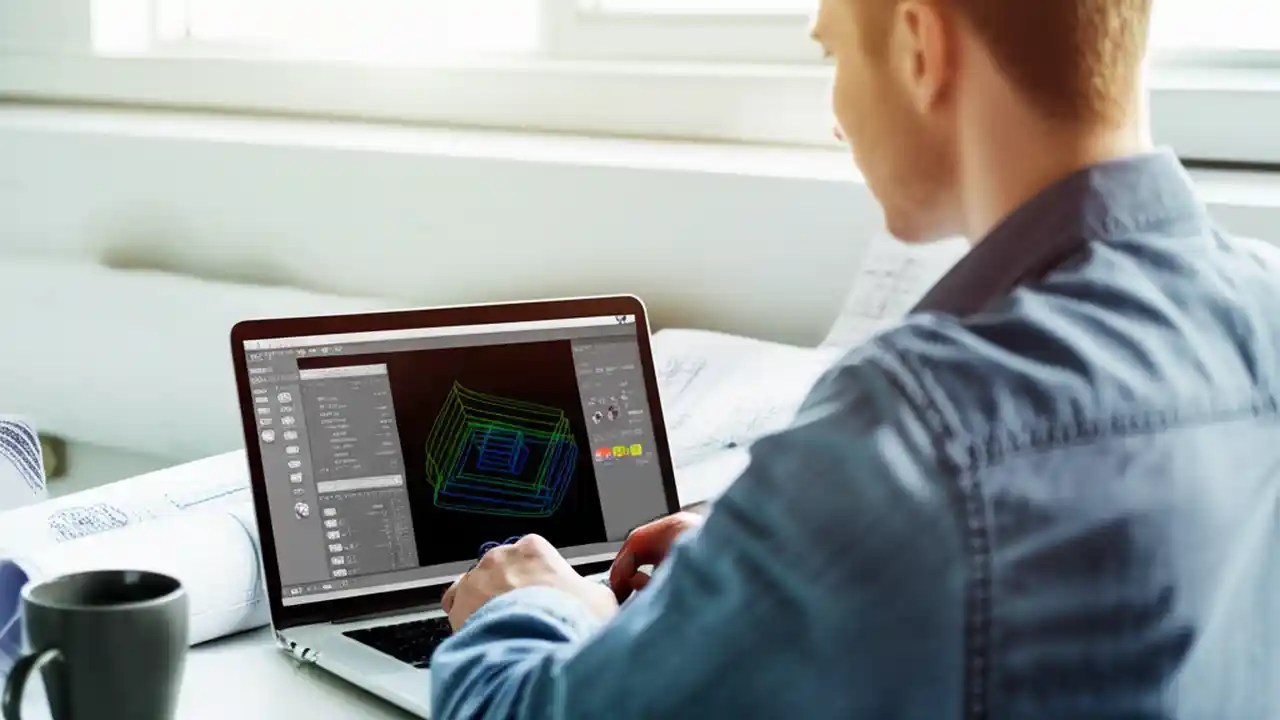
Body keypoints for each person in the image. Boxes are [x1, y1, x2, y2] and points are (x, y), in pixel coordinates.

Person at [432, 0, 1280, 716]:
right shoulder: (1266, 304)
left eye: (834, 50)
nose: (837, 116)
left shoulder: (915, 428)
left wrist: (536, 604)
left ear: (920, 43)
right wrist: (786, 560)